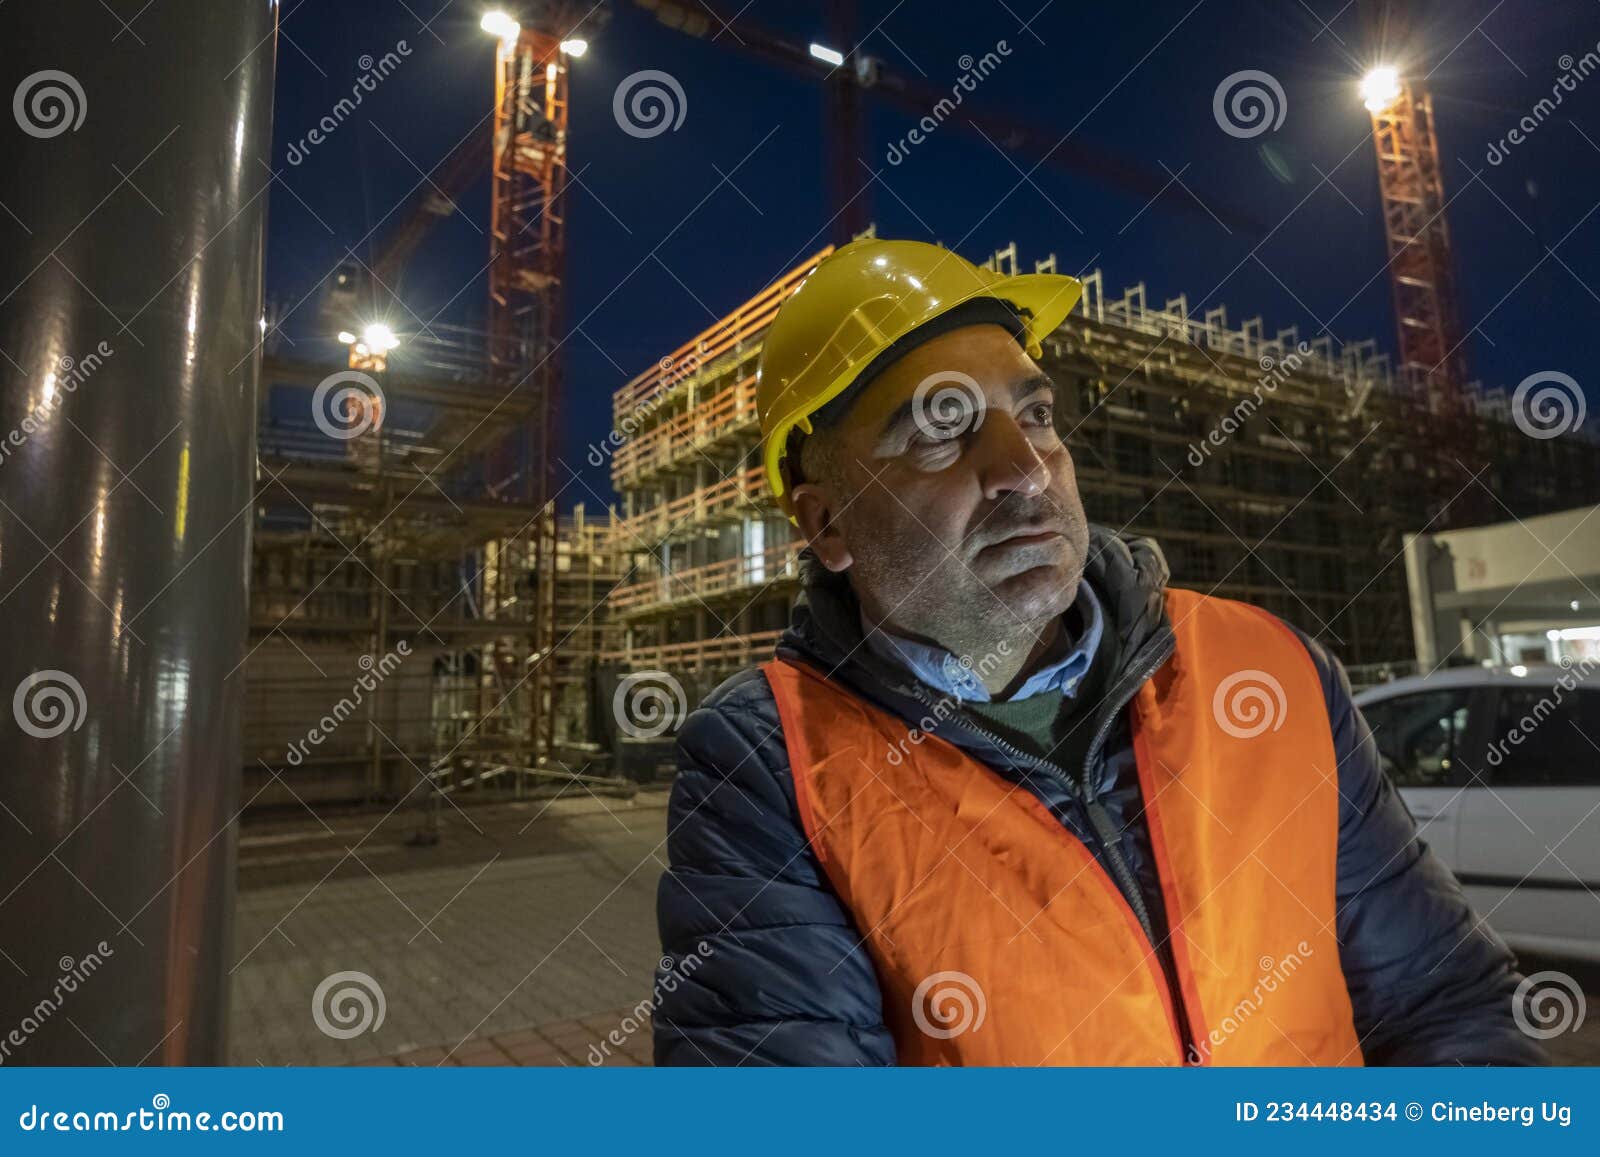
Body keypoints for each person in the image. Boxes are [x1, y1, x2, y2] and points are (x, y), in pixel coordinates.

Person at [652, 238, 1545, 1066]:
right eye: (939, 428)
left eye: (1035, 414)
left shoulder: (1268, 669)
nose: (1024, 467)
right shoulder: (773, 766)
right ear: (826, 520)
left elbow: (1443, 1006)